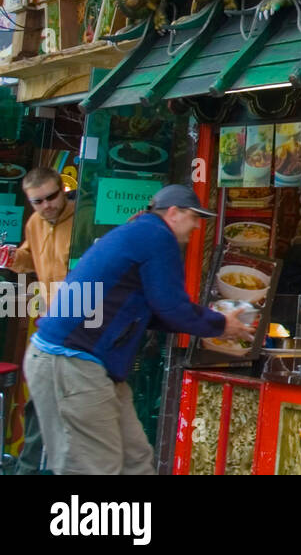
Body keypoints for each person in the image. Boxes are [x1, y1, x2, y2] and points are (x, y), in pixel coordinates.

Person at [23, 185, 254, 475]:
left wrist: (215, 326)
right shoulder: (157, 236)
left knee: (136, 460)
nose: (197, 226)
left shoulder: (141, 232)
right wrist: (221, 325)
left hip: (89, 365)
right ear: (173, 212)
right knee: (96, 468)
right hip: (69, 362)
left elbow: (158, 311)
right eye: (194, 217)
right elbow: (172, 307)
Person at [4, 168, 75, 474]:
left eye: (51, 196)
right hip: (50, 323)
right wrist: (10, 258)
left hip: (82, 322)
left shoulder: (83, 219)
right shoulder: (35, 222)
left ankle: (30, 468)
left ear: (63, 190)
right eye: (38, 201)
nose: (46, 205)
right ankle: (30, 467)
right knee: (43, 398)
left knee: (57, 399)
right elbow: (28, 259)